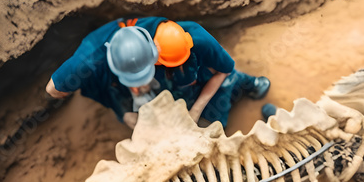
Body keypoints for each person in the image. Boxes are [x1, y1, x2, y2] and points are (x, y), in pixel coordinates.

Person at [46, 17, 270, 128]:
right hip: (113, 80)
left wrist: (195, 111)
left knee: (214, 120)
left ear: (155, 55)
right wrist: (123, 111)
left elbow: (223, 70)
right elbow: (53, 89)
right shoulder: (89, 62)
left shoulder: (193, 39)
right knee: (132, 115)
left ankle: (250, 84)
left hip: (195, 79)